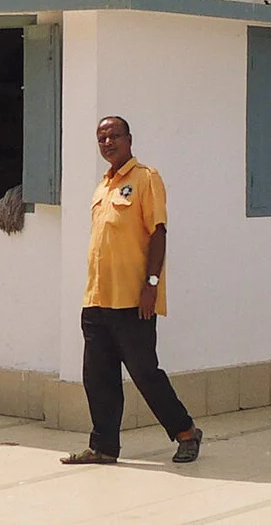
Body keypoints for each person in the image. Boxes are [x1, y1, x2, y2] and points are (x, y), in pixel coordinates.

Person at [61, 116, 201, 466]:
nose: (107, 143)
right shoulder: (103, 186)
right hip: (96, 299)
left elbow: (158, 233)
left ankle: (185, 432)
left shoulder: (145, 179)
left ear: (129, 139)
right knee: (98, 378)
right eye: (101, 138)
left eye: (114, 136)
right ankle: (104, 447)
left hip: (133, 300)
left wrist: (151, 285)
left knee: (144, 373)